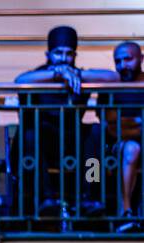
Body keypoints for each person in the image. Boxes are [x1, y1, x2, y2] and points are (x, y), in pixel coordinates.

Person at [14, 27, 118, 218]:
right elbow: (20, 80)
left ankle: (90, 196)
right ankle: (45, 198)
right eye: (58, 53)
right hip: (40, 142)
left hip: (71, 140)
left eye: (68, 54)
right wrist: (56, 74)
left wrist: (76, 75)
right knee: (31, 134)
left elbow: (113, 77)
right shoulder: (39, 75)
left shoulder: (78, 74)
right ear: (48, 54)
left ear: (75, 55)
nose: (63, 58)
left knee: (95, 133)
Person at [106, 41, 143, 230]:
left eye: (128, 59)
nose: (123, 65)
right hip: (113, 149)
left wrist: (130, 123)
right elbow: (112, 126)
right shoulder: (111, 86)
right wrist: (138, 124)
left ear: (141, 59)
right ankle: (125, 213)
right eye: (118, 61)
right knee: (132, 149)